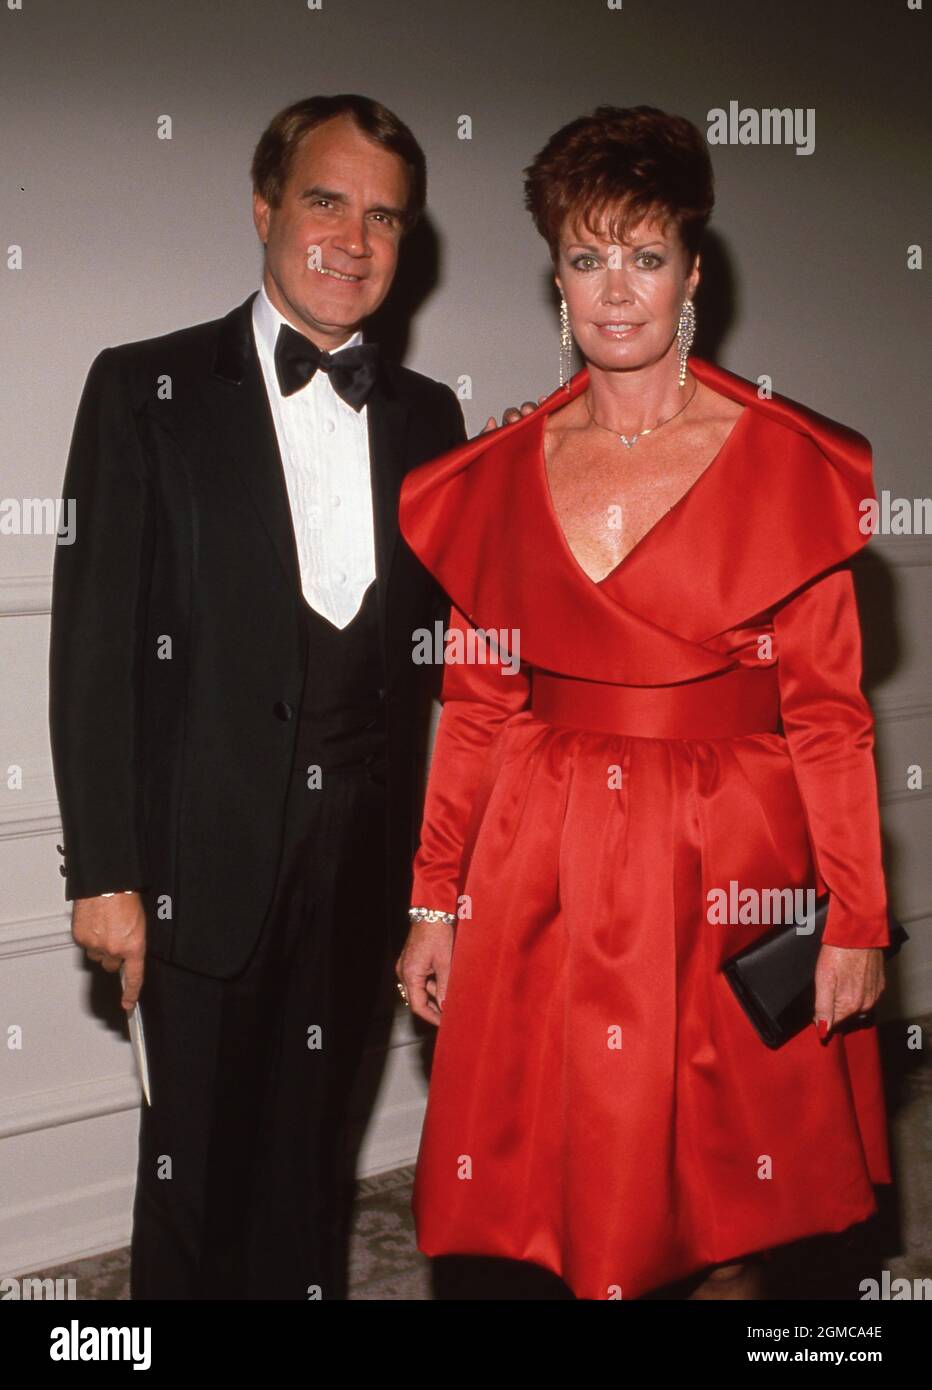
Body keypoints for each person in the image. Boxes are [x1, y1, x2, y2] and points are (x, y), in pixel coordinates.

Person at [395, 104, 892, 1302]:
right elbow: (473, 709)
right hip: (544, 856)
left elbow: (826, 713)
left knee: (736, 1200)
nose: (615, 290)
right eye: (586, 257)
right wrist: (432, 900)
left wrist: (858, 920)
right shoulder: (498, 473)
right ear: (554, 277)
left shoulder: (788, 463)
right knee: (568, 1183)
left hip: (731, 853)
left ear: (691, 273)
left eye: (644, 255)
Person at [48, 93, 470, 1300]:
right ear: (263, 209)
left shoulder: (430, 418)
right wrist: (105, 872)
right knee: (190, 1179)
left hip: (361, 870)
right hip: (193, 862)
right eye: (325, 201)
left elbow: (462, 668)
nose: (352, 237)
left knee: (311, 1171)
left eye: (384, 216)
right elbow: (91, 651)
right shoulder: (143, 388)